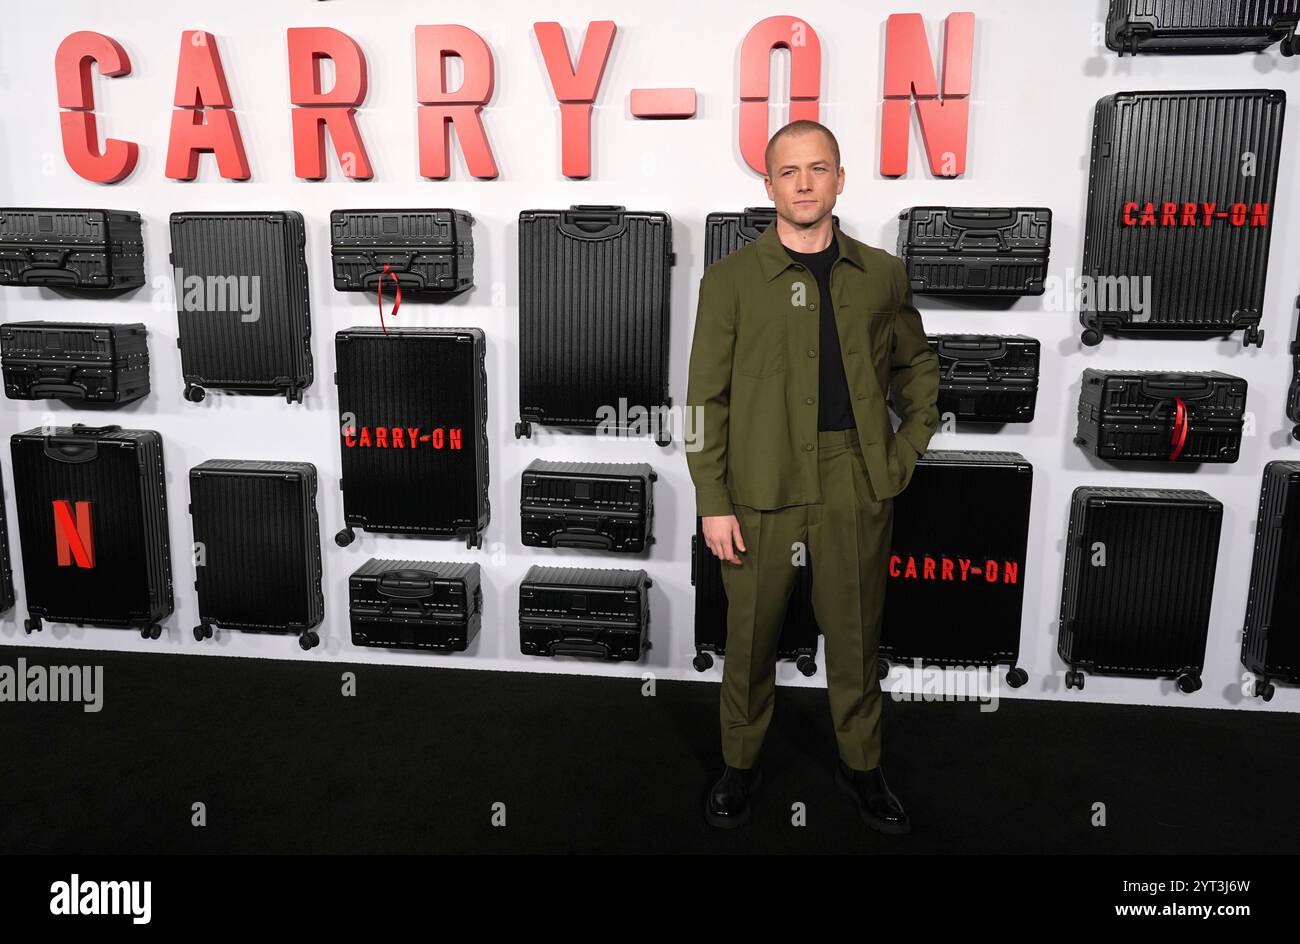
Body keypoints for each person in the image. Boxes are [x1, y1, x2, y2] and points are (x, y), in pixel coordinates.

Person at [686, 119, 940, 833]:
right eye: (789, 171)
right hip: (758, 487)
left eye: (818, 168)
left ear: (840, 178)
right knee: (750, 638)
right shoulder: (730, 281)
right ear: (768, 185)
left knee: (857, 638)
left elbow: (915, 365)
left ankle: (862, 767)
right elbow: (705, 400)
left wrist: (905, 447)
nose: (804, 183)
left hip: (854, 482)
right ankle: (740, 764)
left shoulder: (883, 273)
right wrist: (713, 499)